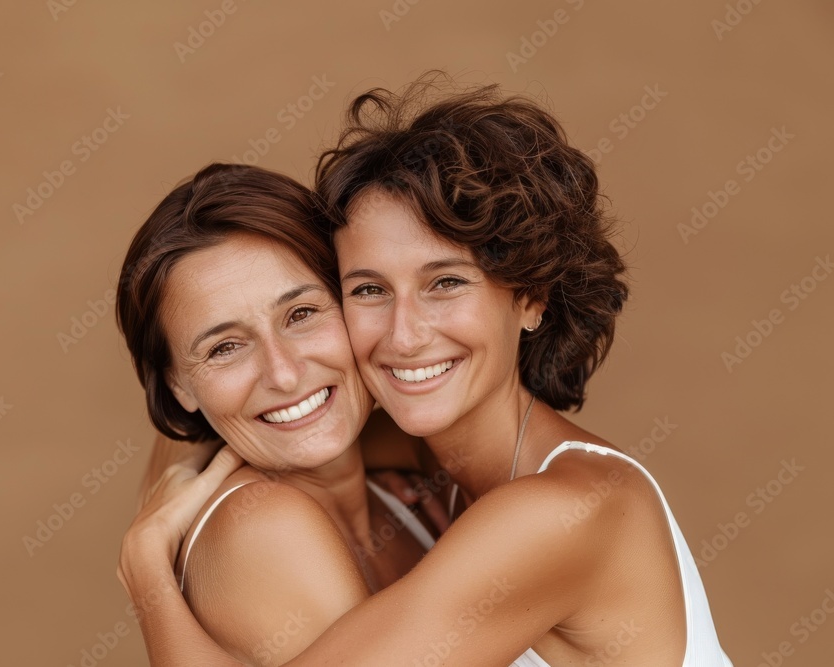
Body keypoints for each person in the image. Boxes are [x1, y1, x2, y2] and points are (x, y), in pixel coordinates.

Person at [118, 75, 733, 665]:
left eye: (445, 283)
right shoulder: (430, 461)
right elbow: (239, 413)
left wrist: (148, 571)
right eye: (368, 290)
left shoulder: (562, 510)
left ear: (530, 296)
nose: (404, 335)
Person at [115, 163, 441, 665]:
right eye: (225, 347)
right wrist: (145, 565)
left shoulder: (401, 480)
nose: (284, 374)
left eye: (302, 314)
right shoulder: (265, 527)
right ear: (178, 383)